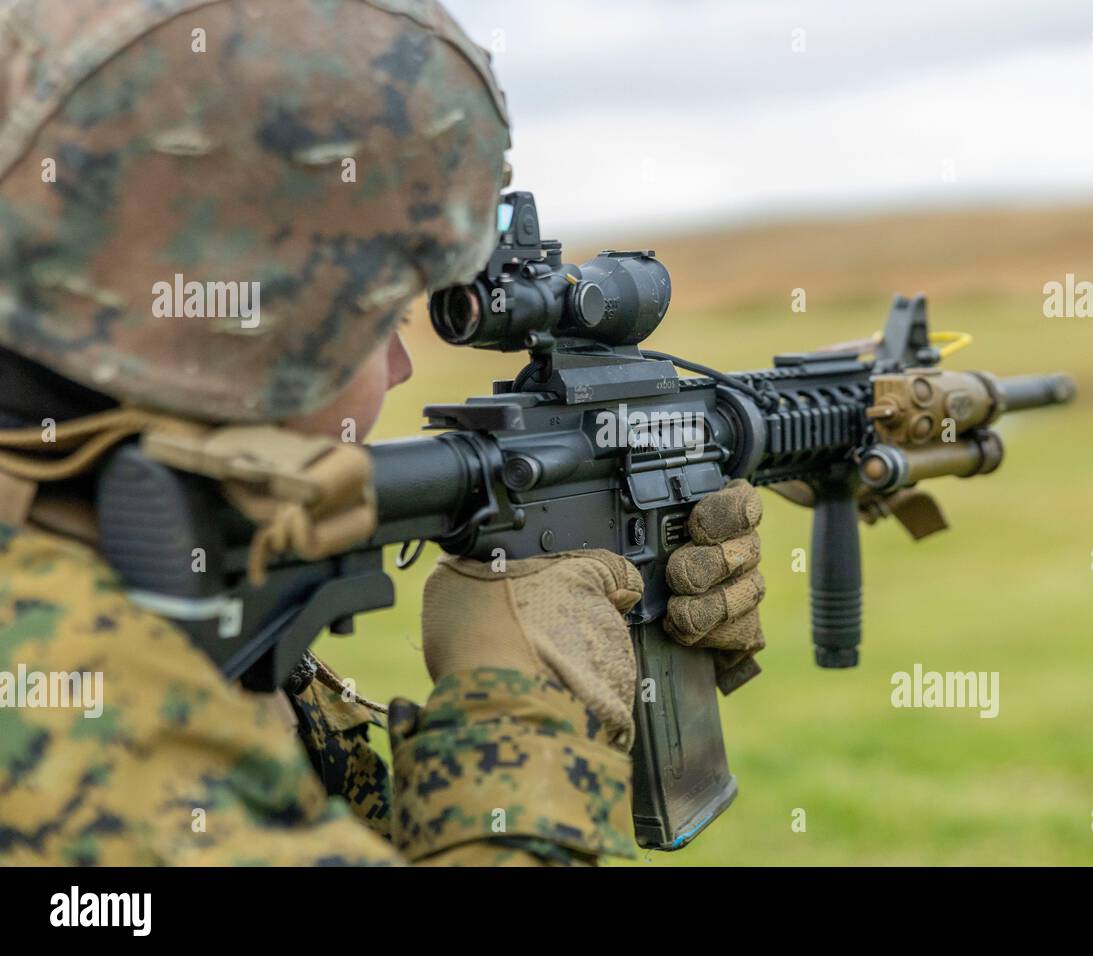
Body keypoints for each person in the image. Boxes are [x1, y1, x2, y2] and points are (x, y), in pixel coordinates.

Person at [0, 0, 765, 865]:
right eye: (386, 319)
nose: (401, 370)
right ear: (267, 341)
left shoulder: (91, 576)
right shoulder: (72, 711)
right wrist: (520, 704)